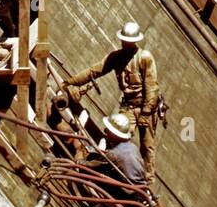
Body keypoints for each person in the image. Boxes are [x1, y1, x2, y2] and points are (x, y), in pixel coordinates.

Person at [66, 22, 159, 174]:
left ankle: (146, 183)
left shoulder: (144, 58)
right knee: (115, 135)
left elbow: (152, 87)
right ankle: (106, 168)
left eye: (128, 41)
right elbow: (93, 72)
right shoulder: (116, 57)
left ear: (135, 41)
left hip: (146, 108)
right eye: (124, 40)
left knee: (147, 146)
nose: (125, 43)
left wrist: (146, 112)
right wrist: (70, 82)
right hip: (129, 106)